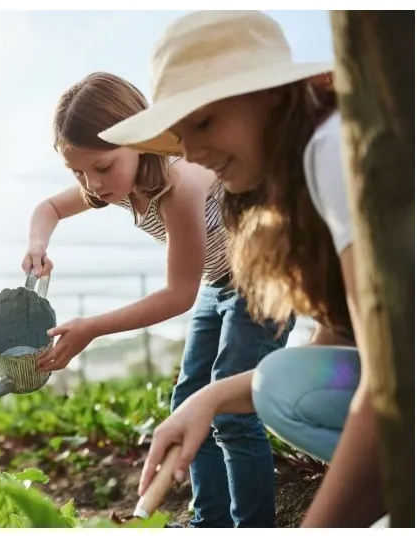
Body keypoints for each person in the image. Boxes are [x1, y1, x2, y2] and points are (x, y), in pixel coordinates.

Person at [99, 10, 388, 527]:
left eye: (204, 122)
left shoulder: (333, 150)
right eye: (181, 134)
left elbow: (393, 376)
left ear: (272, 93)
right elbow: (337, 347)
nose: (193, 154)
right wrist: (208, 400)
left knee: (283, 383)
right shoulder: (289, 191)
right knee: (284, 382)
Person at [23, 71, 294, 528]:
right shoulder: (111, 184)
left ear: (140, 139)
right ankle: (210, 523)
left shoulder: (177, 185)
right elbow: (48, 208)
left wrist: (92, 328)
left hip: (262, 279)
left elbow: (178, 295)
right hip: (218, 284)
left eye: (102, 167)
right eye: (78, 172)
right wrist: (37, 244)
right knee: (189, 402)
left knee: (230, 410)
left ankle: (254, 526)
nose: (92, 183)